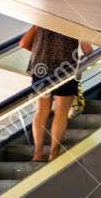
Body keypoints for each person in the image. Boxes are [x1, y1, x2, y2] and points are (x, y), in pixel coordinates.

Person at [21, 24, 84, 163]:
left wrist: (41, 53)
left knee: (41, 112)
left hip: (40, 69)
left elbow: (23, 43)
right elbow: (88, 49)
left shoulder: (41, 22)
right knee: (61, 114)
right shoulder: (76, 25)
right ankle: (53, 154)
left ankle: (38, 154)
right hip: (65, 70)